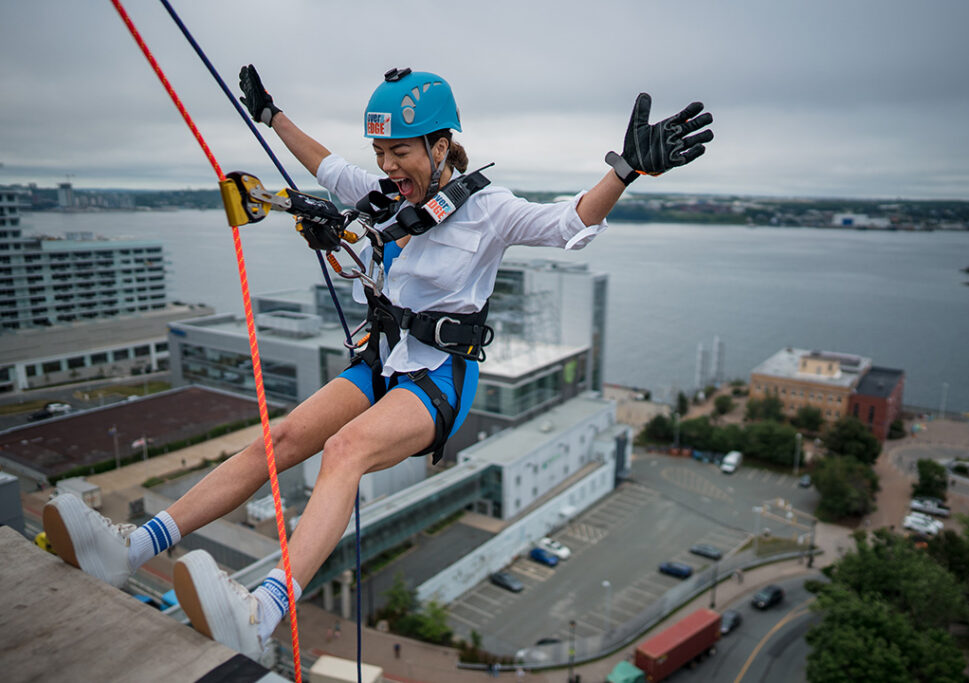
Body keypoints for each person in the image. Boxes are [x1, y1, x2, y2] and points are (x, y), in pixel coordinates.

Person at [42, 66, 713, 660]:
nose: (388, 164)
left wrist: (625, 170)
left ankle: (261, 610)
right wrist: (272, 115)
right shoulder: (384, 196)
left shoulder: (487, 211)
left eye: (399, 151)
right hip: (383, 360)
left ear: (440, 146)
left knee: (343, 449)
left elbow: (570, 224)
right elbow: (323, 165)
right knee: (278, 441)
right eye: (381, 151)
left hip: (438, 379)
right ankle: (128, 548)